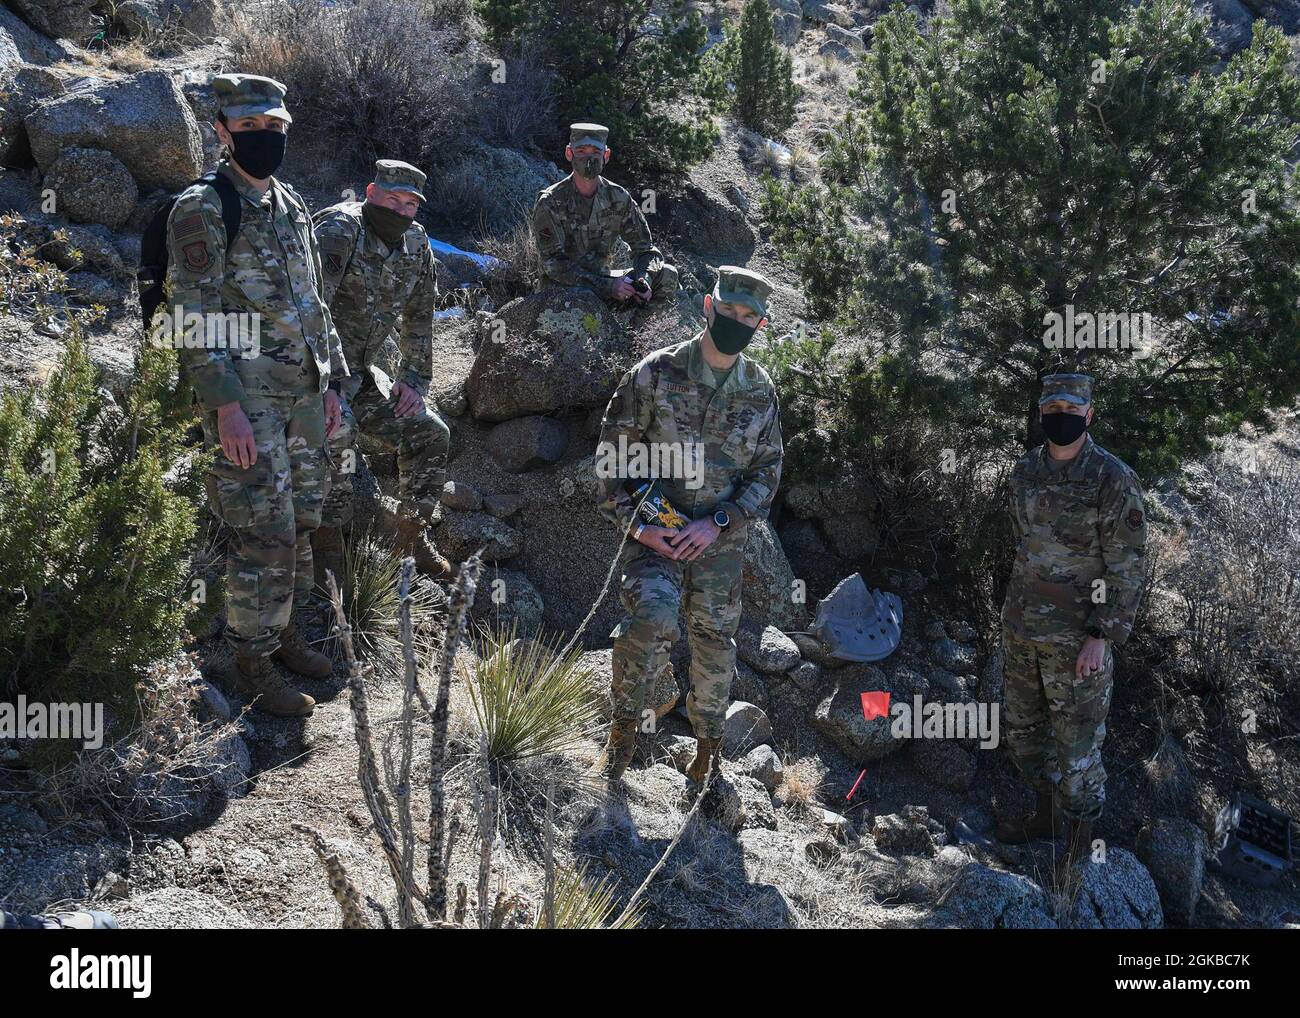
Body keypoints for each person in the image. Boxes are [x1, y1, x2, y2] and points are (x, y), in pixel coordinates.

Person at [166, 73, 347, 717]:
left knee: (301, 524)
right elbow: (192, 312)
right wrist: (226, 407)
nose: (264, 138)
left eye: (274, 128)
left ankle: (284, 632)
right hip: (250, 403)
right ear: (222, 131)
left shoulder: (290, 205)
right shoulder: (205, 207)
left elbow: (314, 303)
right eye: (249, 128)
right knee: (262, 533)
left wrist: (329, 384)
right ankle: (249, 659)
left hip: (302, 396)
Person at [593, 266, 782, 788]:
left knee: (715, 643)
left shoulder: (759, 391)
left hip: (718, 543)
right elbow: (612, 461)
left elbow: (768, 471)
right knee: (652, 617)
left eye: (749, 317)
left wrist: (719, 521)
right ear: (707, 305)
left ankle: (707, 755)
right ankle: (623, 736)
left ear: (760, 325)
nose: (736, 322)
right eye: (728, 311)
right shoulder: (655, 374)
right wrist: (641, 529)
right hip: (656, 534)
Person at [998, 372, 1148, 884]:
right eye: (1051, 405)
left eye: (1071, 405)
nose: (1060, 414)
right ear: (1041, 413)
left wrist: (1100, 636)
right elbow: (1024, 547)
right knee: (1022, 734)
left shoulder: (1112, 479)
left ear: (1088, 414)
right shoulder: (1023, 474)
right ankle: (1044, 820)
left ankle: (1078, 858)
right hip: (1022, 631)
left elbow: (1126, 566)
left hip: (1078, 642)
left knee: (1078, 749)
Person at [312, 159, 452, 580]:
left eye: (410, 204)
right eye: (392, 199)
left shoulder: (416, 243)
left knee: (431, 434)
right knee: (339, 433)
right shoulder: (339, 231)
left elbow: (420, 315)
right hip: (312, 372)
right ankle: (328, 553)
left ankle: (409, 534)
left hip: (362, 374)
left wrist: (413, 380)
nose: (401, 211)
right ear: (371, 193)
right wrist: (327, 384)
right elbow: (309, 312)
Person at [531, 122, 678, 304]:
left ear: (606, 155)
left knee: (666, 275)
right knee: (579, 296)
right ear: (569, 153)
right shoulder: (550, 201)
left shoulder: (618, 197)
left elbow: (646, 250)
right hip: (563, 291)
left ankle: (636, 330)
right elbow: (554, 265)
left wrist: (643, 279)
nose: (589, 158)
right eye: (581, 151)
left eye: (595, 152)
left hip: (605, 283)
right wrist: (608, 286)